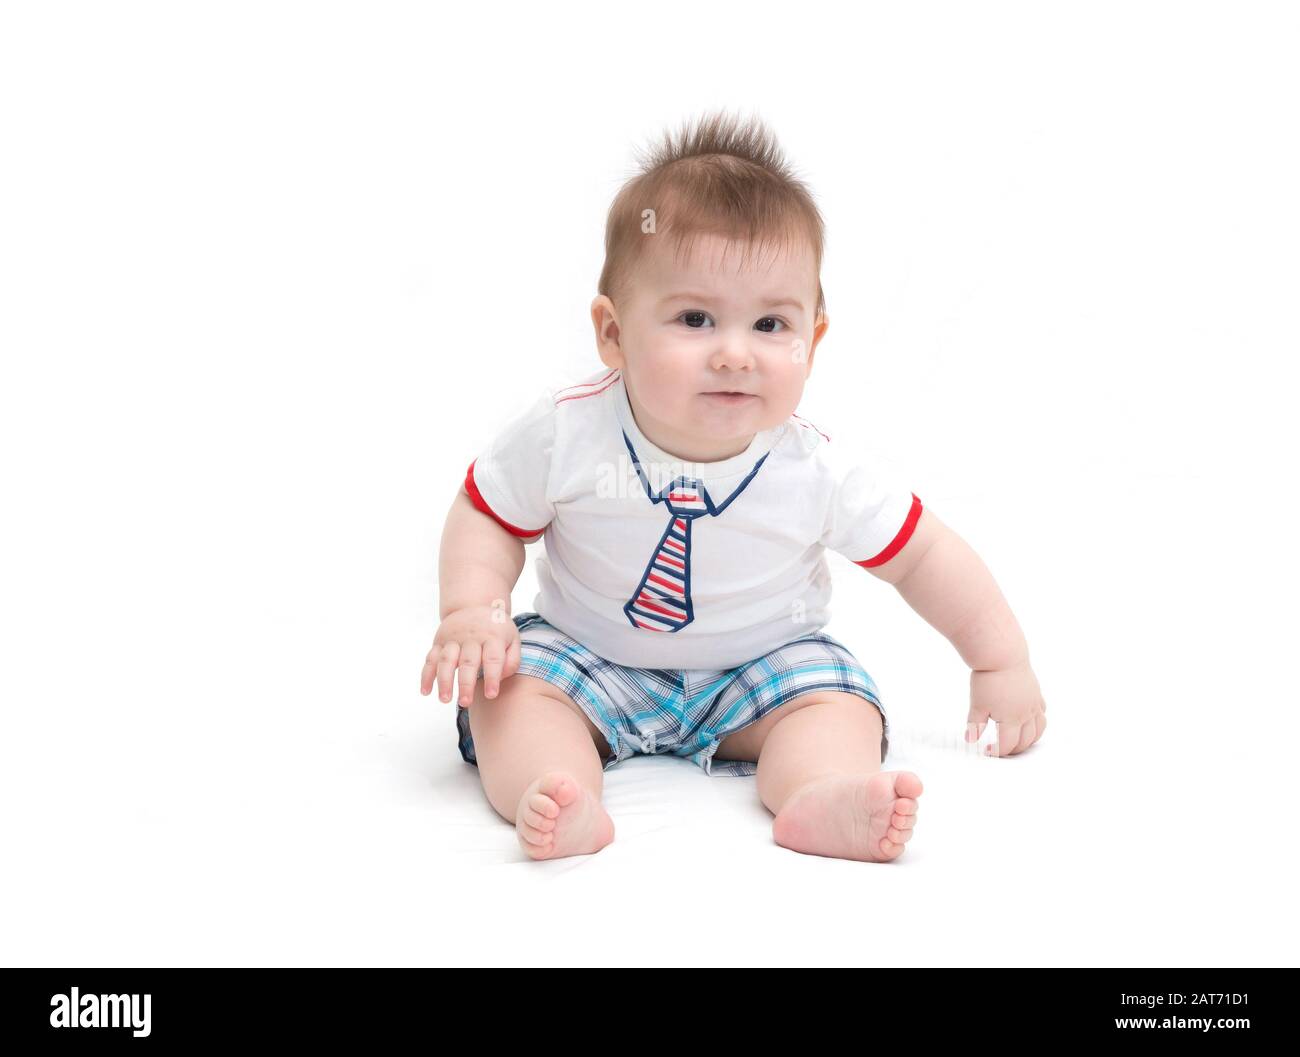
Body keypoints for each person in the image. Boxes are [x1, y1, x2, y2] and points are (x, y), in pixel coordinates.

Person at [420, 110, 1046, 862]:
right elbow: (488, 514)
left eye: (770, 326)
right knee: (509, 693)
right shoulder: (567, 431)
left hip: (762, 668)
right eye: (695, 318)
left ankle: (820, 793)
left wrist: (999, 661)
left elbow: (922, 557)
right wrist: (473, 608)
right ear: (613, 333)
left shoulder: (815, 468)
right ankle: (558, 788)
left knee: (834, 698)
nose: (734, 354)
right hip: (589, 659)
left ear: (812, 339)